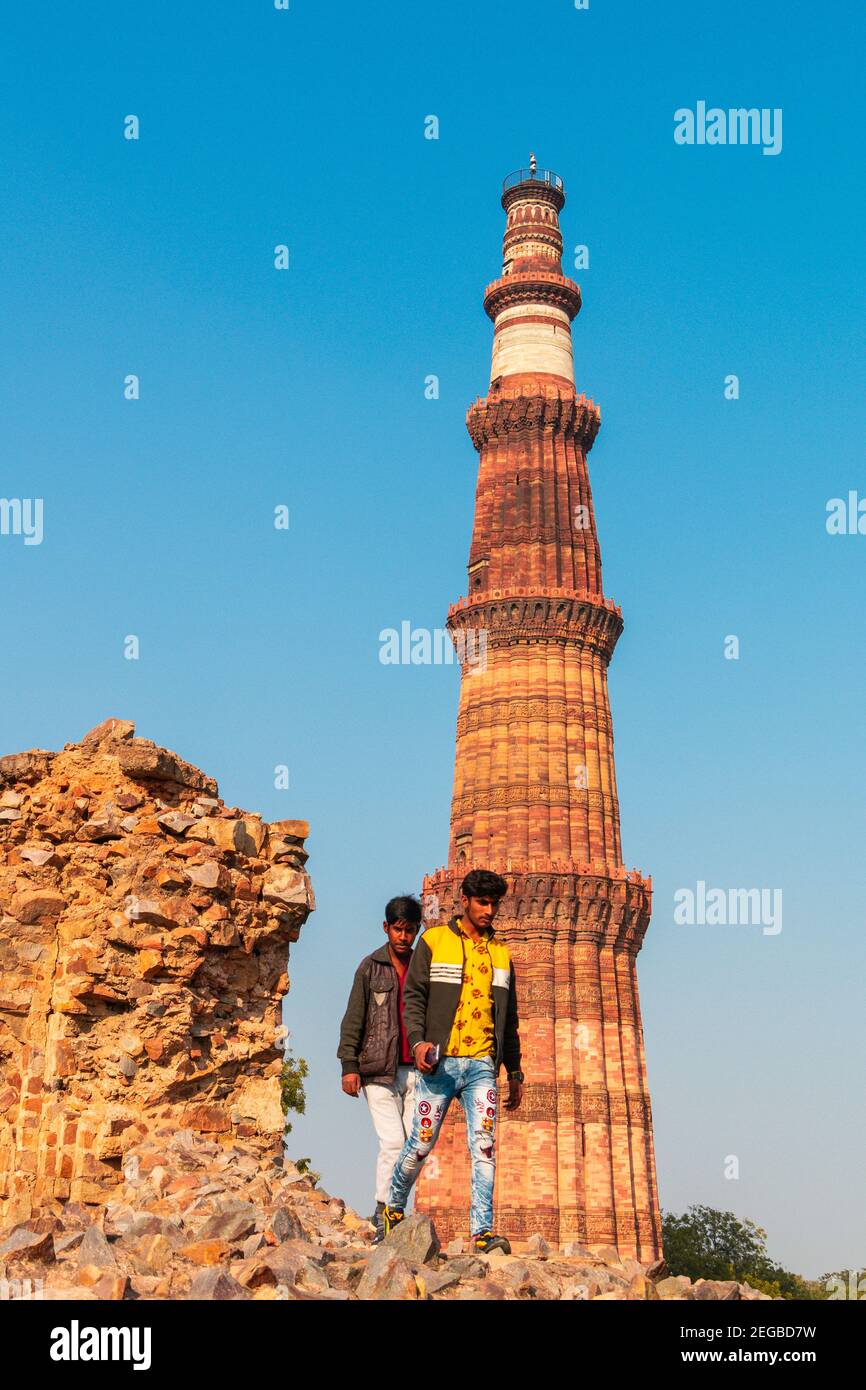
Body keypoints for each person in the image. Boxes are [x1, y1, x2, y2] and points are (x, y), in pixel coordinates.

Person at [383, 868, 523, 1254]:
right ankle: (393, 1207)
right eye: (482, 902)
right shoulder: (434, 941)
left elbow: (508, 1019)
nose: (489, 911)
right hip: (440, 1063)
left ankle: (482, 1231)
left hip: (481, 1065)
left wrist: (514, 1070)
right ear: (464, 899)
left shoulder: (501, 954)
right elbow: (414, 999)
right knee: (422, 1142)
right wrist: (419, 1042)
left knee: (484, 1147)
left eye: (495, 904)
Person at [338, 894, 422, 1242]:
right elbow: (354, 1018)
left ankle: (396, 1208)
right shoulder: (370, 968)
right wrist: (349, 1065)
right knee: (392, 1142)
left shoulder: (422, 968)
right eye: (398, 930)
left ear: (417, 931)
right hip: (377, 1071)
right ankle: (382, 1209)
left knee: (415, 1146)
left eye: (410, 931)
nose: (403, 937)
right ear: (386, 928)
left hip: (417, 1073)